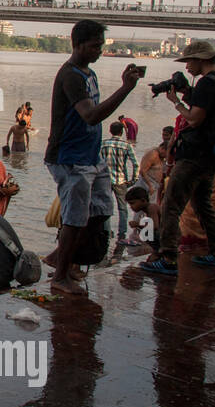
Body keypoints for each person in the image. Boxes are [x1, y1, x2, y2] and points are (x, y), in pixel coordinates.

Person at [43, 20, 142, 294]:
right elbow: (91, 114)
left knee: (100, 211)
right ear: (78, 44)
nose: (99, 51)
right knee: (75, 218)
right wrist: (125, 88)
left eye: (101, 45)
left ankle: (61, 257)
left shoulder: (89, 74)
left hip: (90, 156)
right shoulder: (71, 76)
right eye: (95, 46)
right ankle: (60, 276)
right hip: (70, 157)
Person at [142, 41, 215, 276]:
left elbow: (194, 119)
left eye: (189, 62)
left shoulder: (206, 84)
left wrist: (176, 102)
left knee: (171, 205)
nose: (187, 67)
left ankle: (168, 258)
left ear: (201, 60)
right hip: (213, 154)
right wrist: (186, 91)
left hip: (194, 154)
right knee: (203, 205)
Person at [101, 121, 139, 246]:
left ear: (110, 131)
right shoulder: (126, 145)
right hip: (121, 180)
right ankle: (121, 234)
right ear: (122, 132)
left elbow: (97, 162)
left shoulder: (104, 144)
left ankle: (106, 231)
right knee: (122, 208)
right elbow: (135, 164)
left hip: (105, 180)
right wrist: (133, 180)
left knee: (106, 207)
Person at [139, 126, 173, 202]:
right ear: (162, 149)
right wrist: (150, 186)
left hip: (159, 184)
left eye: (166, 135)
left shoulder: (171, 150)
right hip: (148, 184)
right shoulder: (153, 154)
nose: (164, 137)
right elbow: (142, 171)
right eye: (163, 135)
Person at [125, 185, 160, 251]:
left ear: (143, 200)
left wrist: (138, 224)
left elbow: (155, 227)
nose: (131, 207)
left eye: (132, 203)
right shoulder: (147, 209)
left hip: (170, 237)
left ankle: (159, 251)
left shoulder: (151, 208)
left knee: (146, 233)